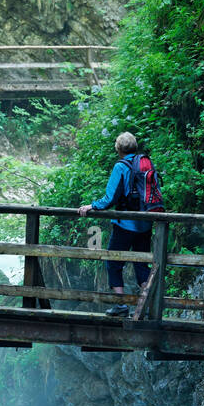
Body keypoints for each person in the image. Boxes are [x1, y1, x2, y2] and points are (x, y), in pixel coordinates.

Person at [78, 132, 154, 315]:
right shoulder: (145, 163)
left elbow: (110, 198)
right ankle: (148, 305)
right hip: (145, 222)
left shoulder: (121, 166)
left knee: (113, 262)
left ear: (118, 149)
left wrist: (92, 206)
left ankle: (121, 305)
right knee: (142, 264)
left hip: (126, 223)